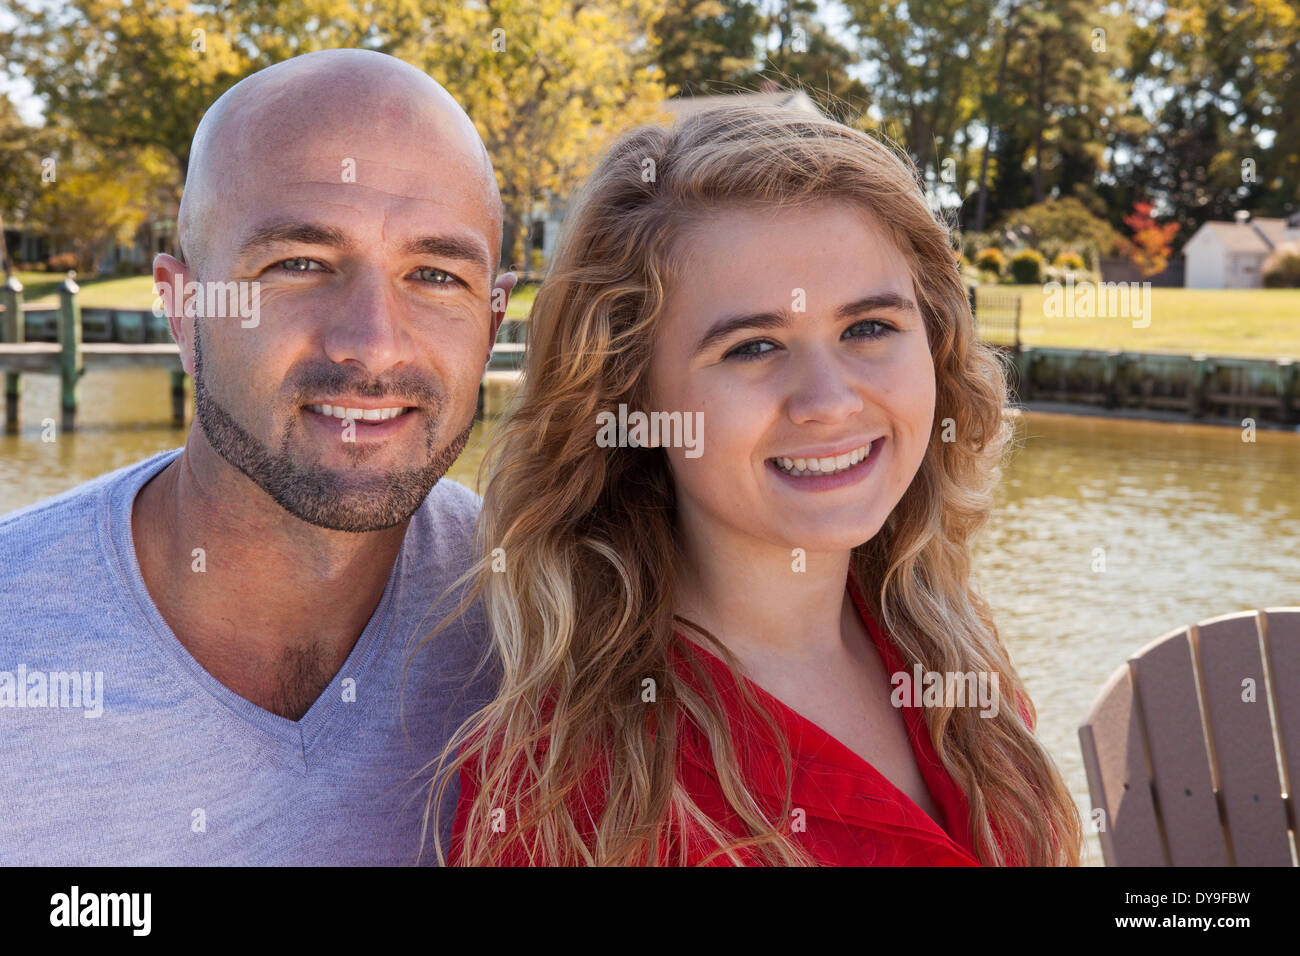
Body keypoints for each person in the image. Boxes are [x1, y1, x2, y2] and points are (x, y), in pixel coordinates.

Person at [429, 103, 1083, 866]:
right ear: (631, 394)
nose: (830, 401)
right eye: (754, 346)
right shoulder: (574, 796)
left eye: (869, 328)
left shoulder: (950, 655)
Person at [0, 49, 516, 864]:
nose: (371, 345)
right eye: (299, 265)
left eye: (435, 274)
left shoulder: (553, 622)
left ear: (492, 324)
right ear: (181, 309)